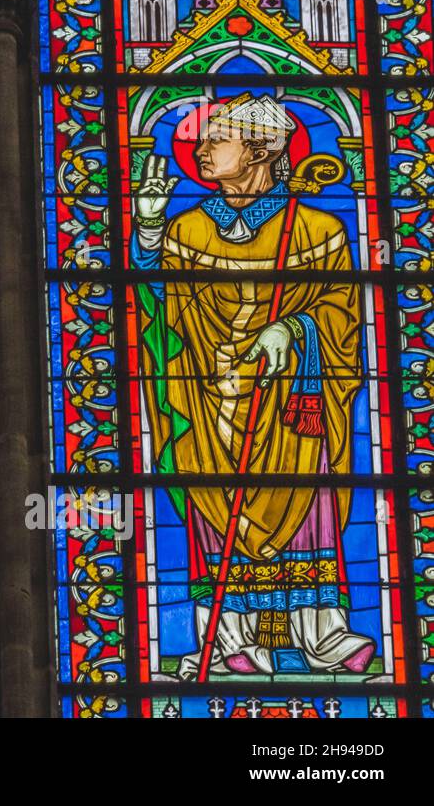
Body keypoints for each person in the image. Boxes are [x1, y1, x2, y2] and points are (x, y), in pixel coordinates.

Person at [132, 93, 374, 677]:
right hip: (206, 397)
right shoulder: (185, 229)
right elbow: (155, 312)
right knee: (214, 506)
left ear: (261, 150)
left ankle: (322, 634)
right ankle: (230, 639)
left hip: (289, 404)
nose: (201, 148)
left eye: (218, 138)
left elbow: (342, 311)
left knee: (304, 503)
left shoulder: (319, 230)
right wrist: (145, 230)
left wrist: (295, 331)